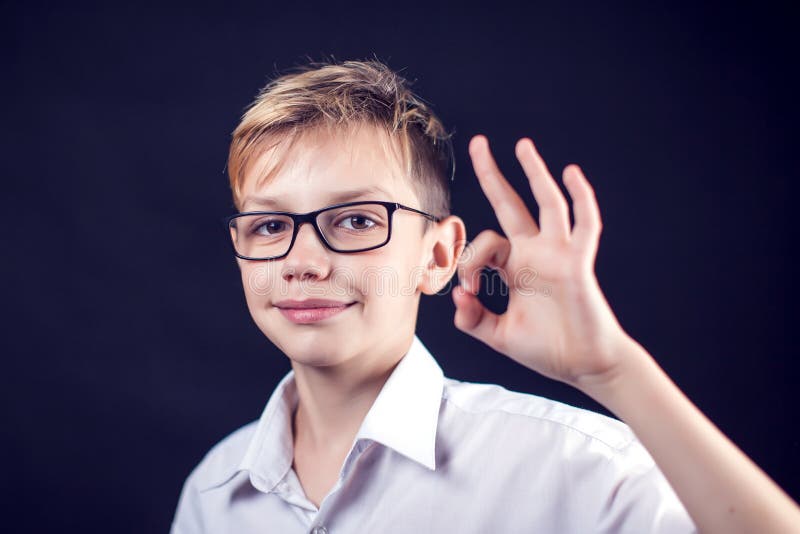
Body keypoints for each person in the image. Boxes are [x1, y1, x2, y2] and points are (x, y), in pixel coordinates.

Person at [170, 58, 800, 533]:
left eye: (357, 219)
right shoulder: (217, 491)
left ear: (438, 255)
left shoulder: (572, 468)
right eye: (270, 225)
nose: (302, 261)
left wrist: (612, 369)